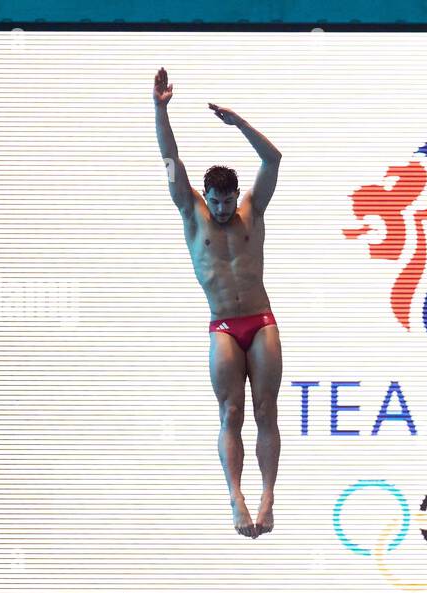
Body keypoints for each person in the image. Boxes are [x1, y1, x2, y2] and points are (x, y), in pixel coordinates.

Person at [153, 67, 283, 537]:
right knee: (231, 412)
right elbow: (170, 160)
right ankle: (236, 496)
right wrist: (160, 110)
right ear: (205, 197)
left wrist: (240, 124)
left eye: (229, 201)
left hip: (261, 320)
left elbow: (273, 160)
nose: (224, 209)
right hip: (224, 326)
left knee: (265, 410)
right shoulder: (192, 213)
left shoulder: (252, 210)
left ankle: (267, 497)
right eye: (217, 202)